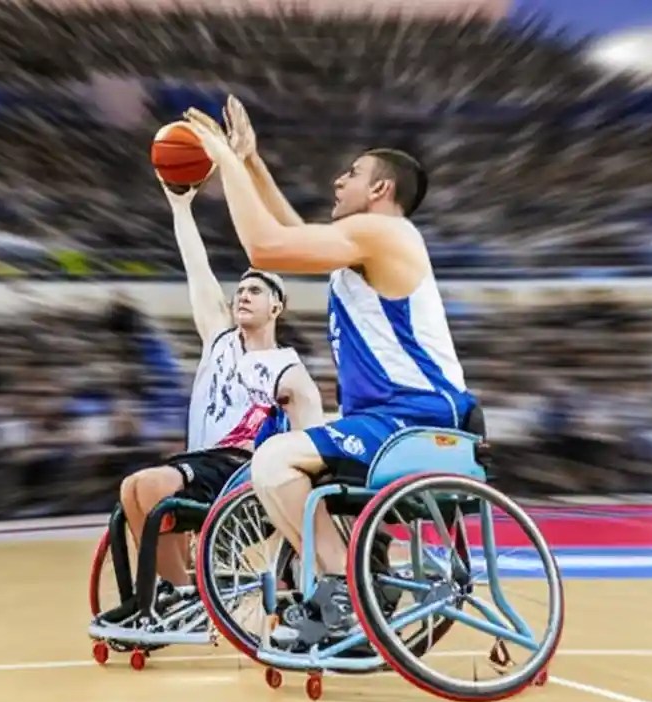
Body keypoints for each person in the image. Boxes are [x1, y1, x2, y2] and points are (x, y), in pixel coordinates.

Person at [184, 97, 480, 642]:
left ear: (380, 189)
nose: (338, 181)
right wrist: (251, 162)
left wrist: (223, 160)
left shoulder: (386, 234)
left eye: (352, 173)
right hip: (392, 420)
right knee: (279, 463)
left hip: (416, 418)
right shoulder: (367, 246)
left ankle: (345, 586)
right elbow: (292, 231)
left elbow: (266, 246)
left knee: (274, 460)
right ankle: (354, 578)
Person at [100, 179, 325, 623]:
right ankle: (176, 588)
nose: (243, 295)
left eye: (255, 290)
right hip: (200, 463)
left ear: (277, 306)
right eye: (239, 290)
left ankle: (182, 597)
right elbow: (196, 268)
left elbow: (311, 435)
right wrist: (180, 207)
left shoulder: (287, 368)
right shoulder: (219, 340)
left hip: (239, 471)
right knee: (131, 489)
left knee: (148, 485)